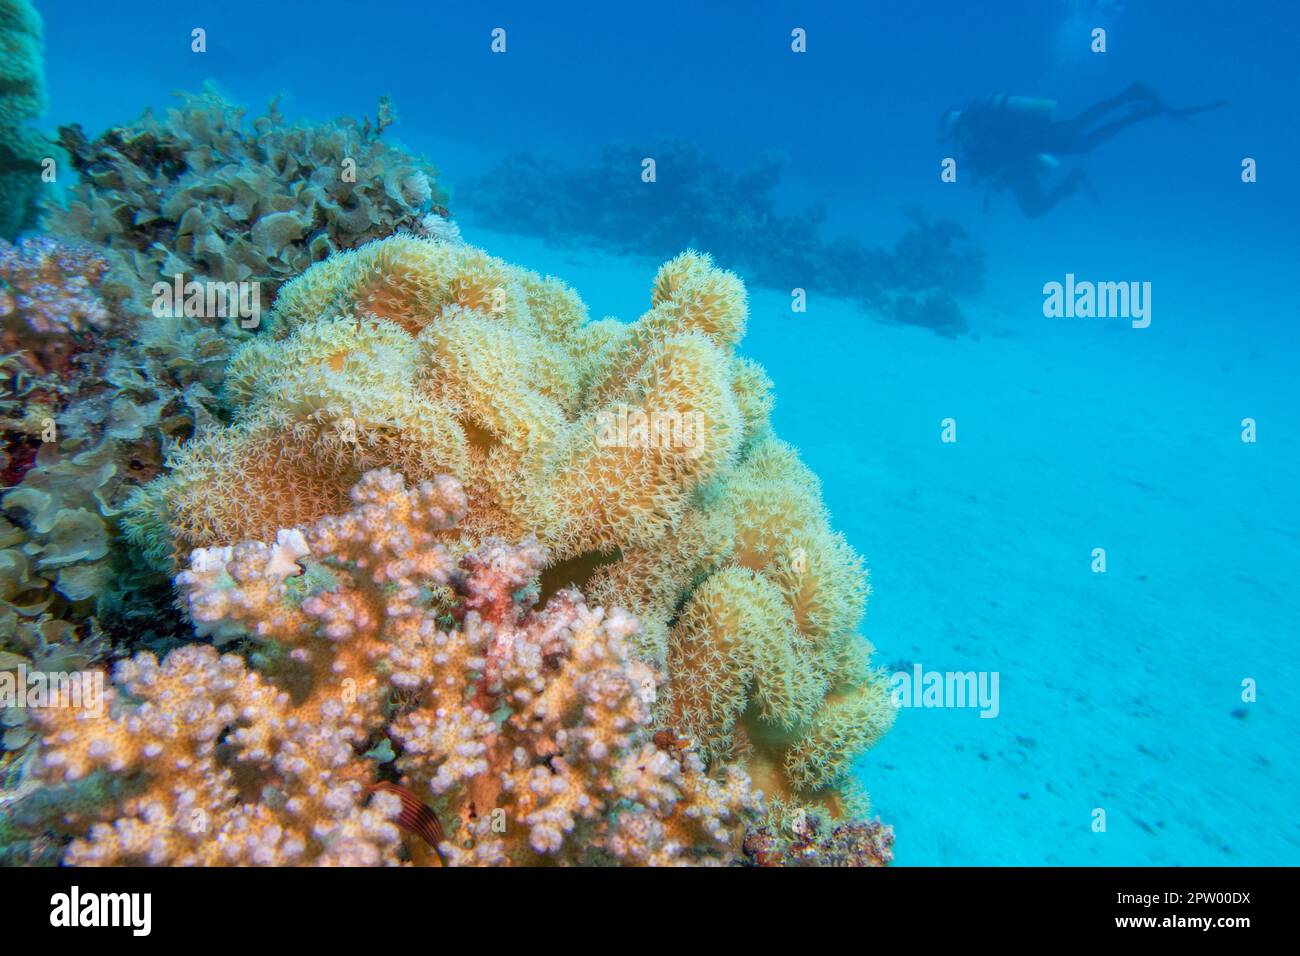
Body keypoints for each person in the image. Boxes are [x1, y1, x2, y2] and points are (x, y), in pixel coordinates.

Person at [941, 82, 1225, 217]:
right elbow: (995, 159)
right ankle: (1141, 112)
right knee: (1083, 142)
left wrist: (971, 164)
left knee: (1079, 129)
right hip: (1028, 154)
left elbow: (994, 155)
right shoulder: (977, 132)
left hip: (1034, 142)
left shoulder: (978, 128)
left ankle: (1131, 94)